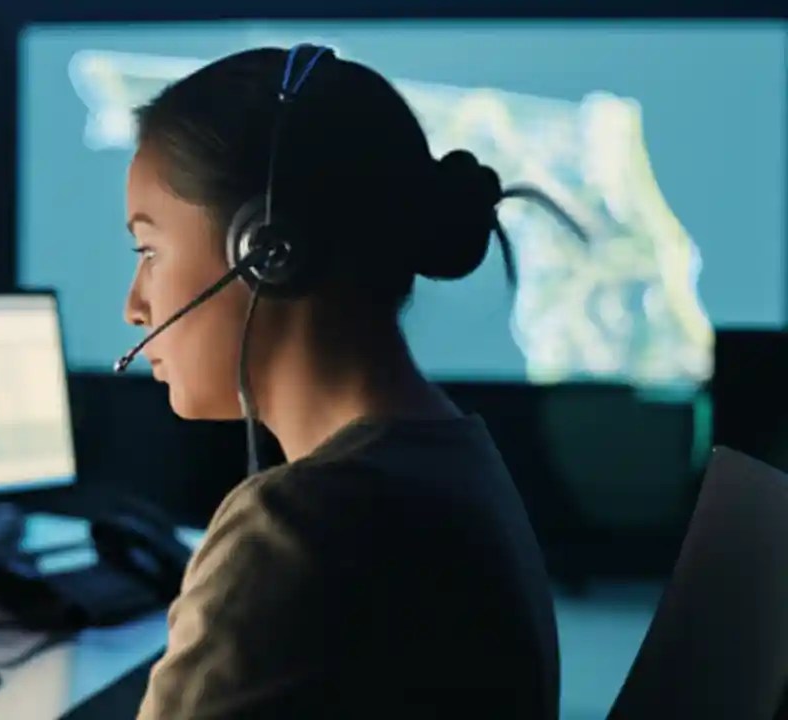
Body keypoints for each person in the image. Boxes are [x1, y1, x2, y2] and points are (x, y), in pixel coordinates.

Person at [122, 45, 566, 718]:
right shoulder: (454, 459)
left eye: (149, 251)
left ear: (266, 252)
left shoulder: (297, 531)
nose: (134, 305)